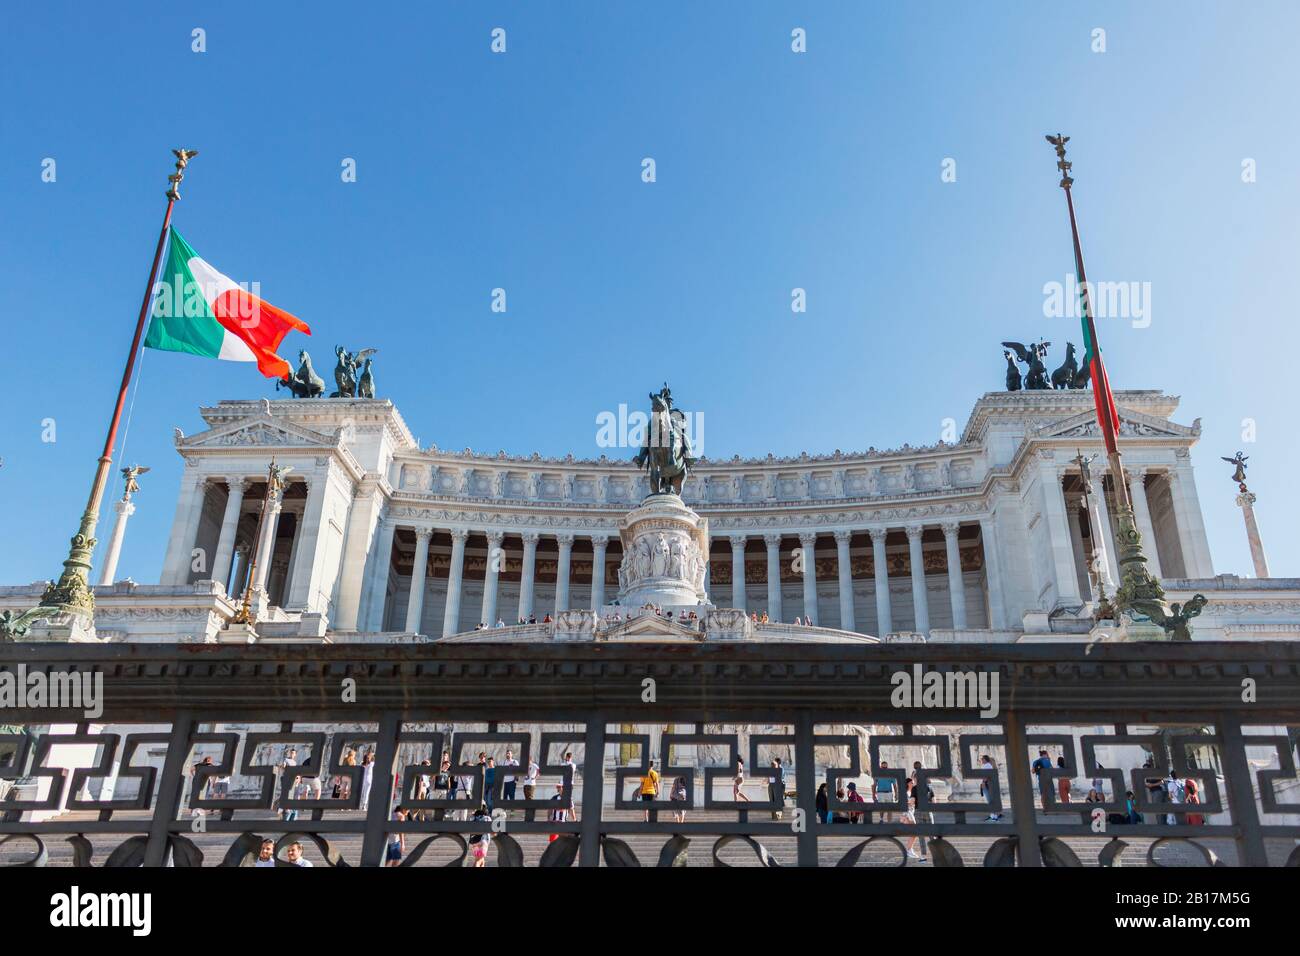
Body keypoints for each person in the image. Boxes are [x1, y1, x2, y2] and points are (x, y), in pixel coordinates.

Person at [979, 754, 1002, 821]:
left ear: (985, 759)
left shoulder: (987, 766)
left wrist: (983, 782)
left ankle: (994, 816)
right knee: (990, 800)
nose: (981, 760)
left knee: (989, 800)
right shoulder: (988, 765)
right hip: (989, 784)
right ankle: (993, 816)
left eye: (982, 759)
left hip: (987, 784)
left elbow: (987, 775)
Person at [279, 748, 299, 821]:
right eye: (291, 753)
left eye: (293, 753)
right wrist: (283, 767)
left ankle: (292, 815)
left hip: (293, 781)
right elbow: (283, 767)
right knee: (286, 795)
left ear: (295, 754)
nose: (292, 754)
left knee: (293, 796)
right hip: (286, 779)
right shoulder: (286, 760)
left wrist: (297, 778)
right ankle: (285, 813)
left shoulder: (294, 762)